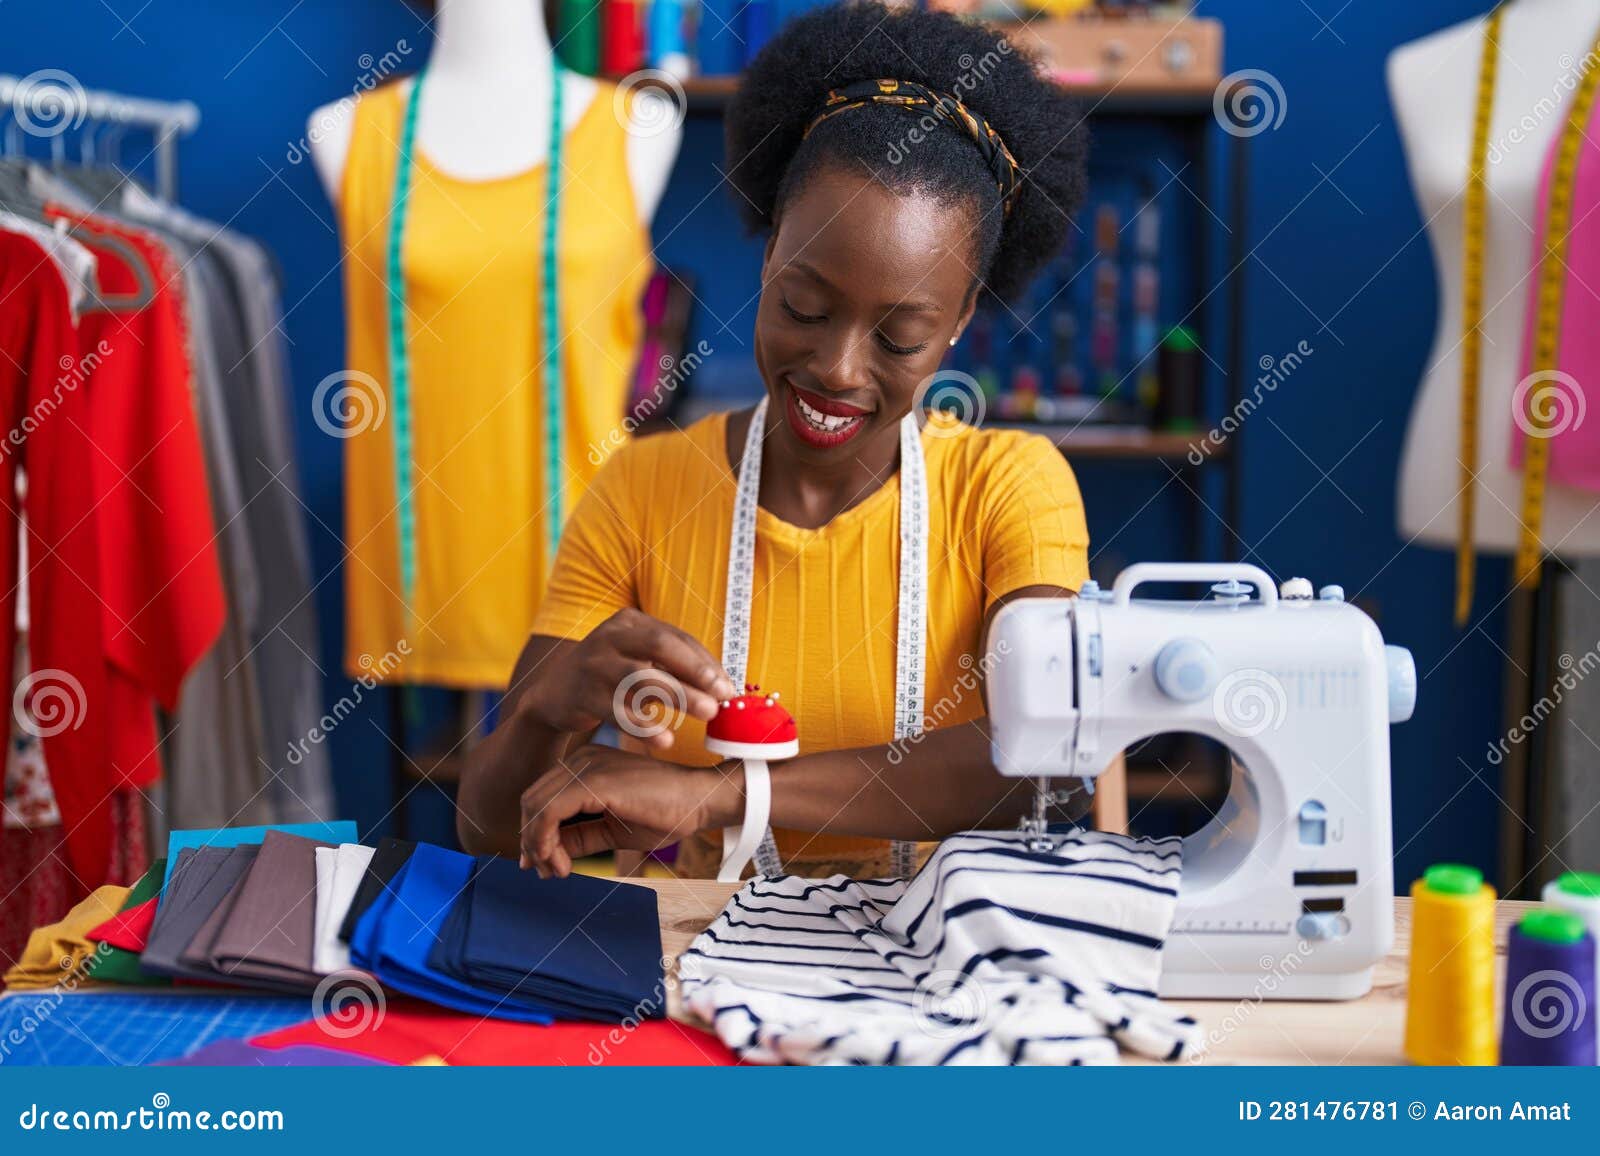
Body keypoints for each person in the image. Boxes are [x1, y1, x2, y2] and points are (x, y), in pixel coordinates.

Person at [458, 1, 1091, 879]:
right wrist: (540, 717)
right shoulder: (641, 488)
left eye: (898, 338)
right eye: (803, 306)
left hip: (926, 982)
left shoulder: (1010, 485)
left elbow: (1043, 764)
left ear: (959, 323)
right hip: (699, 961)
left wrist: (720, 794)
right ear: (766, 260)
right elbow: (484, 826)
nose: (836, 366)